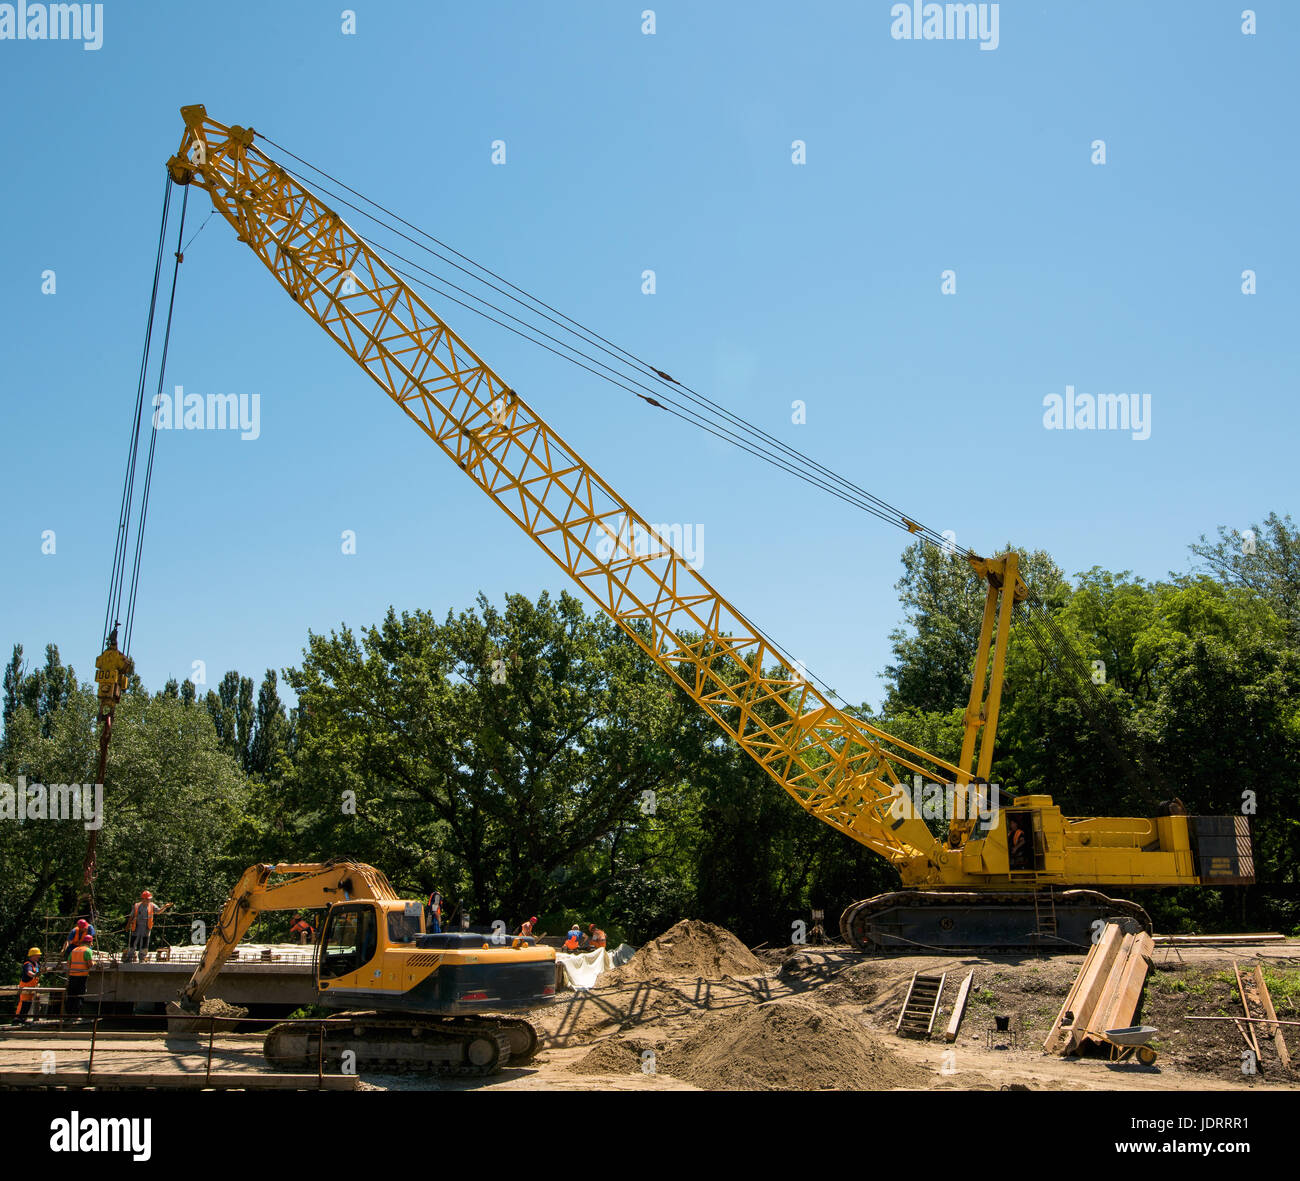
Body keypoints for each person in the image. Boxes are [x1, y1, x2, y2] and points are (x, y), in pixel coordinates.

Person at [123, 890, 171, 963]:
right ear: (143, 899)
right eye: (148, 899)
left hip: (146, 927)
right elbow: (131, 916)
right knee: (133, 942)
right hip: (136, 926)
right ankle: (129, 957)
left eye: (149, 899)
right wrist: (127, 926)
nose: (149, 900)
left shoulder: (151, 905)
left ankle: (142, 957)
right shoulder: (137, 906)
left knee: (144, 942)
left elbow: (158, 912)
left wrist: (165, 907)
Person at [66, 935, 93, 1015]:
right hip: (82, 976)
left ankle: (68, 1014)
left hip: (72, 975)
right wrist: (94, 963)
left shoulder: (74, 950)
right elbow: (89, 964)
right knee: (79, 995)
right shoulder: (87, 951)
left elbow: (68, 963)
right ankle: (76, 1014)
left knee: (71, 995)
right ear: (90, 942)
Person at [14, 948, 40, 1023]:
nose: (39, 956)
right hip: (25, 986)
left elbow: (37, 972)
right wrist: (35, 975)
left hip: (32, 986)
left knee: (28, 1003)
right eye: (37, 955)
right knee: (23, 1002)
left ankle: (23, 1018)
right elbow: (29, 973)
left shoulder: (36, 964)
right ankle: (17, 1018)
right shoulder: (28, 964)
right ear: (32, 955)